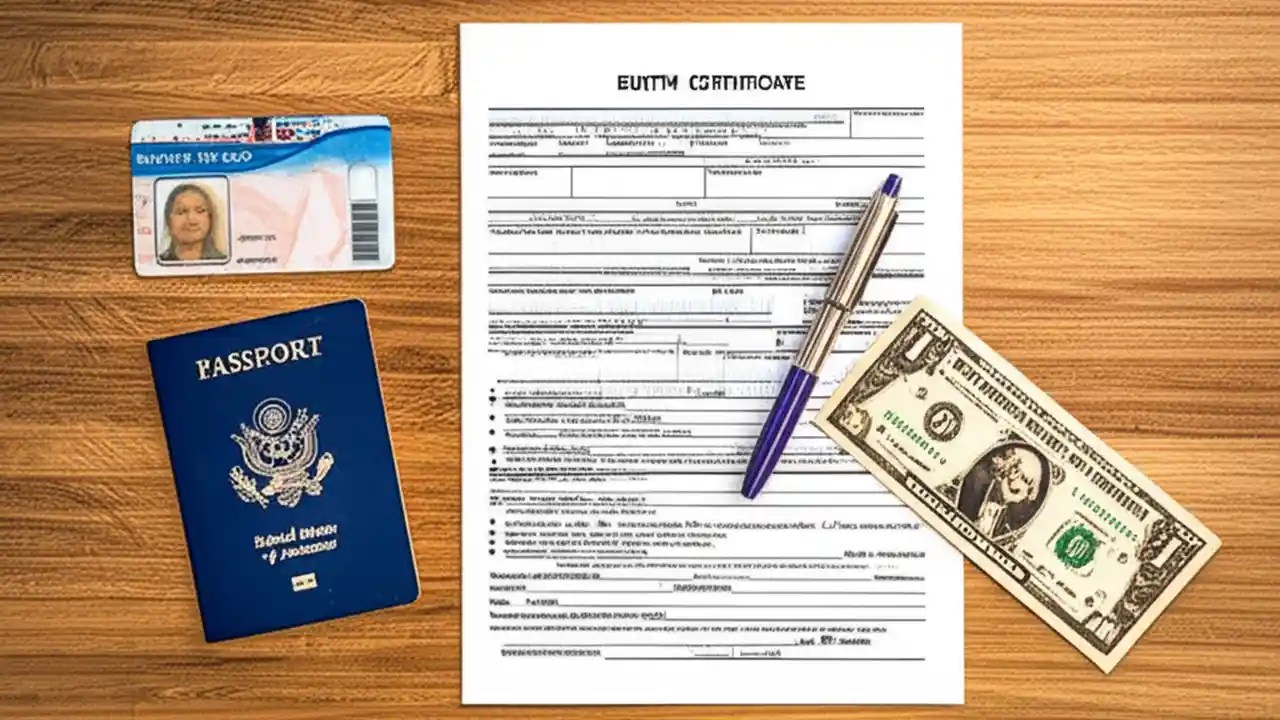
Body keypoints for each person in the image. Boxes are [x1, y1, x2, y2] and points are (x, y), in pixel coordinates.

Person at [158, 183, 226, 262]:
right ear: (168, 219)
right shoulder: (156, 264)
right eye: (182, 212)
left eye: (200, 211)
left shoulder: (224, 262)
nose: (191, 220)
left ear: (210, 217)